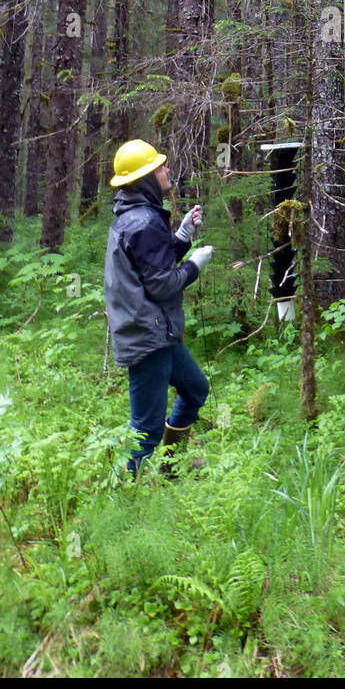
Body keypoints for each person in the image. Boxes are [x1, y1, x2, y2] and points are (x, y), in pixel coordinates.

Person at [103, 139, 213, 475]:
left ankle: (169, 465)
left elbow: (152, 266)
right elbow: (162, 284)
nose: (167, 170)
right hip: (147, 336)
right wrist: (195, 265)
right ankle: (118, 497)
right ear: (146, 177)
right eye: (159, 166)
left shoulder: (138, 217)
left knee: (195, 389)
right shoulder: (144, 221)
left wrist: (182, 236)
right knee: (145, 430)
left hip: (157, 331)